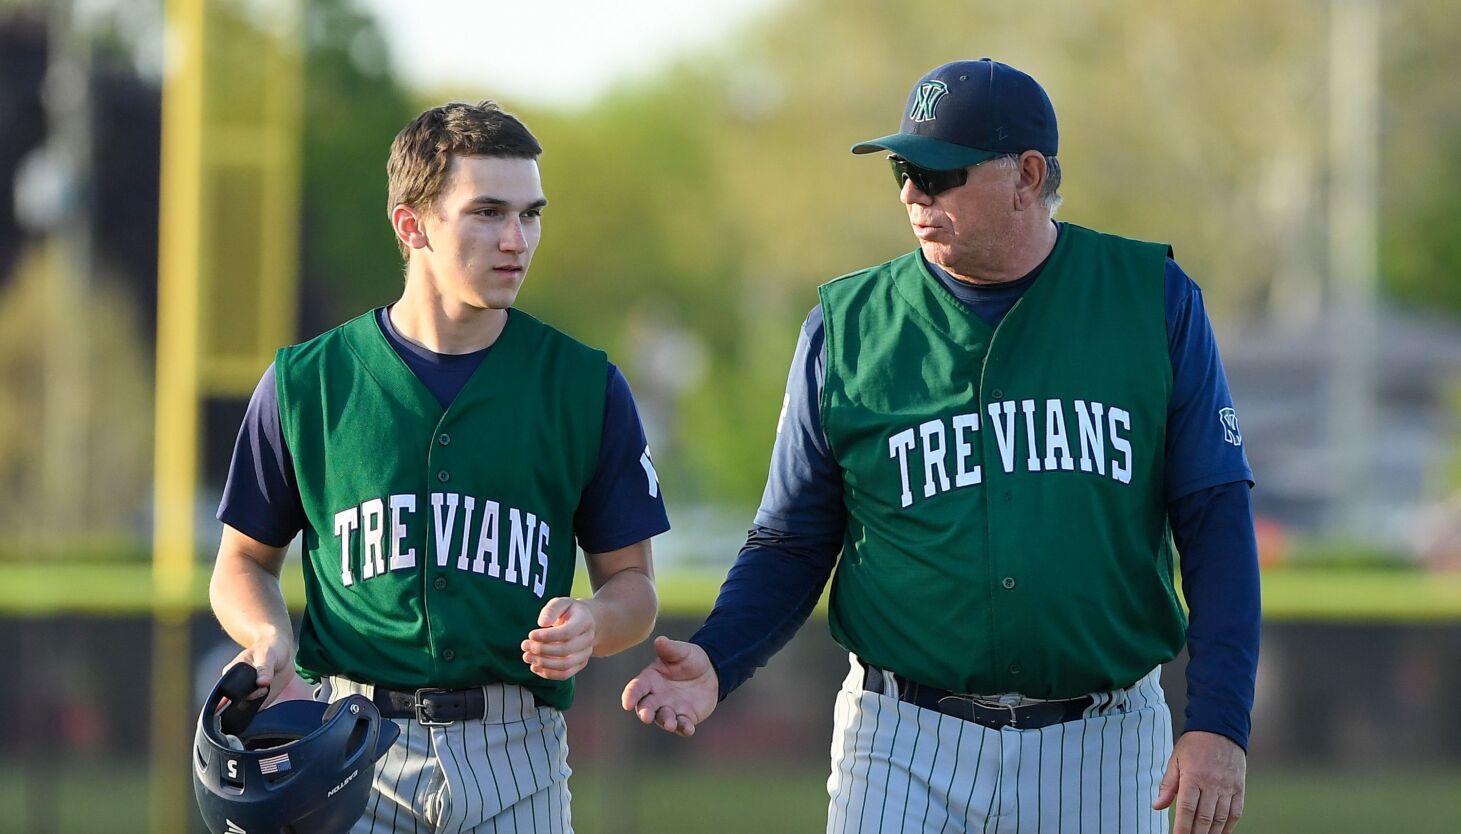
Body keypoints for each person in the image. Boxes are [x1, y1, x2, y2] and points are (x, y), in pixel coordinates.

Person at [622, 59, 1259, 834]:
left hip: (1104, 737)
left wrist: (1218, 721)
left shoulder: (1149, 299)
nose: (911, 193)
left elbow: (1215, 522)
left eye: (939, 172)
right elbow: (791, 539)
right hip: (902, 738)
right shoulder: (849, 326)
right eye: (901, 168)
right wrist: (720, 657)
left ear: (1027, 174)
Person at [210, 100, 668, 834]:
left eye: (531, 213)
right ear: (411, 225)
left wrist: (593, 622)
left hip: (517, 752)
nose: (516, 239)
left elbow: (634, 589)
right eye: (486, 212)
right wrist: (267, 637)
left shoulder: (582, 386)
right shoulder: (309, 383)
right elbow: (241, 563)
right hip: (349, 747)